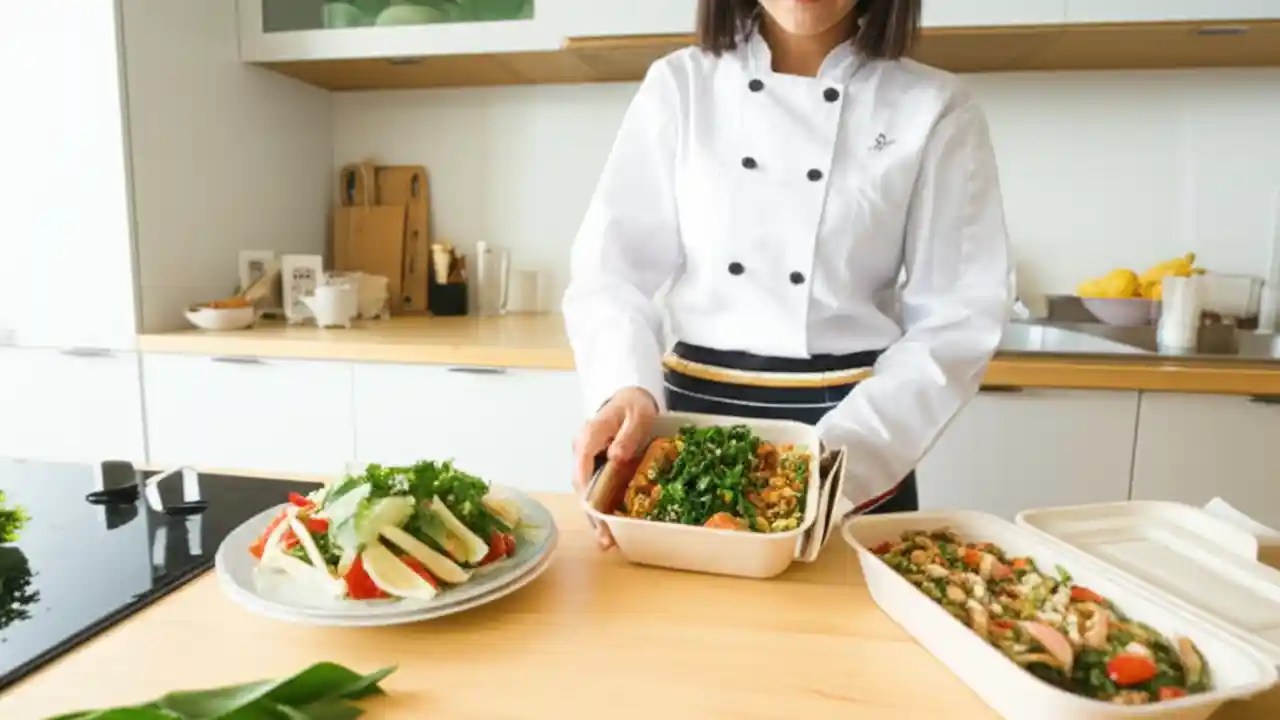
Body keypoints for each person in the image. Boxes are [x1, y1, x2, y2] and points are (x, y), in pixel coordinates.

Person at [563, 0, 1012, 546]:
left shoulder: (936, 108)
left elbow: (957, 320)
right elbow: (610, 271)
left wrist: (835, 461)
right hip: (686, 433)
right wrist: (624, 388)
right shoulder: (680, 85)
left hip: (855, 432)